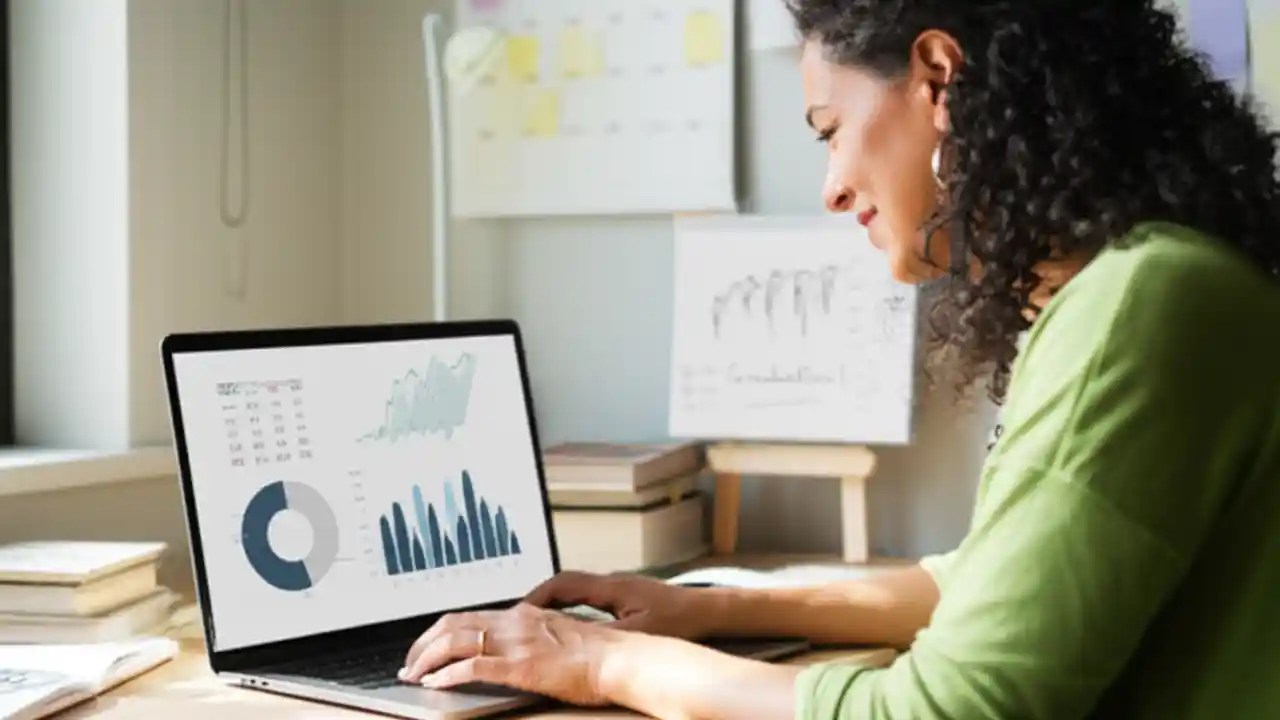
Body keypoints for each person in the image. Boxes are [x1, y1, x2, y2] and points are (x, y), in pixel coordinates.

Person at [398, 1, 1280, 717]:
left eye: (830, 129)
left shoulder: (1140, 301)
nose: (831, 185)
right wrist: (708, 604)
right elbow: (985, 582)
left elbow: (948, 712)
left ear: (939, 77)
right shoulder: (1161, 281)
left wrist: (604, 664)